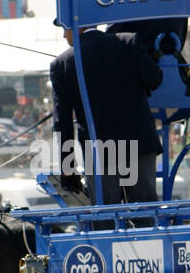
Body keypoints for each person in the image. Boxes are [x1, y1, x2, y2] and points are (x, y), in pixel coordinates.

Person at [50, 24, 162, 204]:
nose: (64, 35)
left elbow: (62, 122)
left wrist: (68, 168)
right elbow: (154, 79)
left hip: (99, 151)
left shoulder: (62, 63)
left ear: (76, 26)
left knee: (106, 218)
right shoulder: (129, 41)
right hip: (139, 145)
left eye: (65, 28)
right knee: (146, 215)